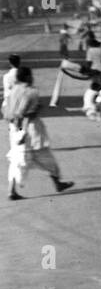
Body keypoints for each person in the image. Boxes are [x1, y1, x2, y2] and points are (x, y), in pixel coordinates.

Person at [6, 66, 73, 200]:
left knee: (17, 160)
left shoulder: (13, 90)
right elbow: (24, 112)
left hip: (14, 128)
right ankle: (57, 182)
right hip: (29, 128)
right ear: (27, 77)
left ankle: (11, 190)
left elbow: (8, 112)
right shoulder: (31, 92)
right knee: (42, 157)